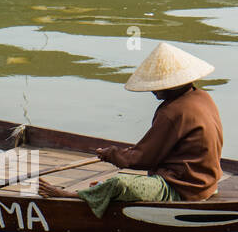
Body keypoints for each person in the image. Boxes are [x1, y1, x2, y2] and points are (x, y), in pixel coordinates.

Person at [38, 42, 224, 217]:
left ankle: (73, 196)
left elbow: (144, 158)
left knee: (118, 183)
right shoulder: (202, 97)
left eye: (158, 86)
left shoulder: (174, 112)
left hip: (182, 187)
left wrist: (113, 155)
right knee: (121, 181)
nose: (153, 91)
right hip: (207, 182)